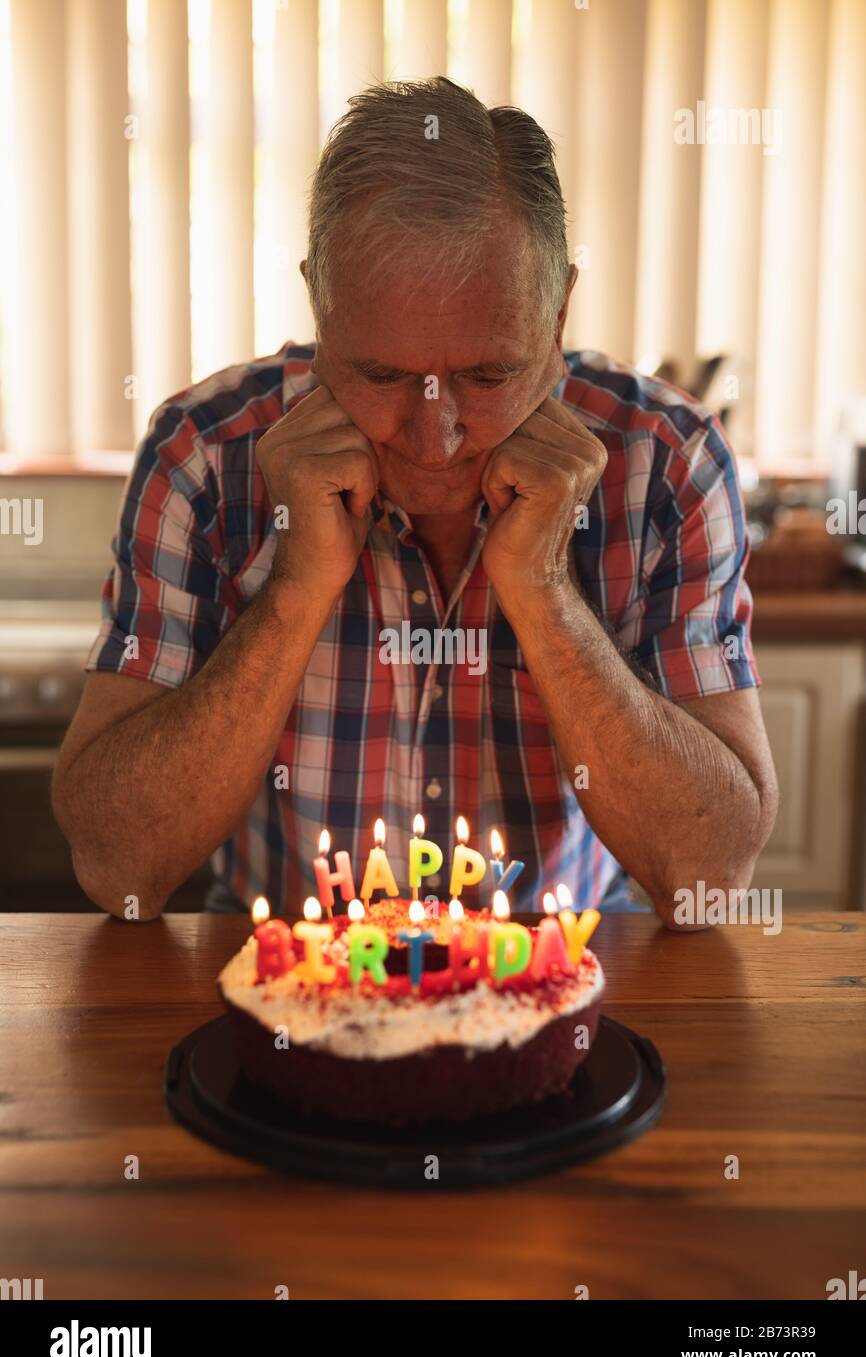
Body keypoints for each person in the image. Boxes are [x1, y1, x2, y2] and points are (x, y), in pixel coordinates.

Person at [51, 77, 778, 929]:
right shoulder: (205, 454)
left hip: (566, 992)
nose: (433, 437)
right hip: (277, 990)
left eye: (488, 376)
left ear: (557, 316)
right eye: (382, 375)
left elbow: (711, 874)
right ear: (321, 307)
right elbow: (116, 866)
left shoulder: (668, 460)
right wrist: (292, 595)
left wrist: (544, 592)